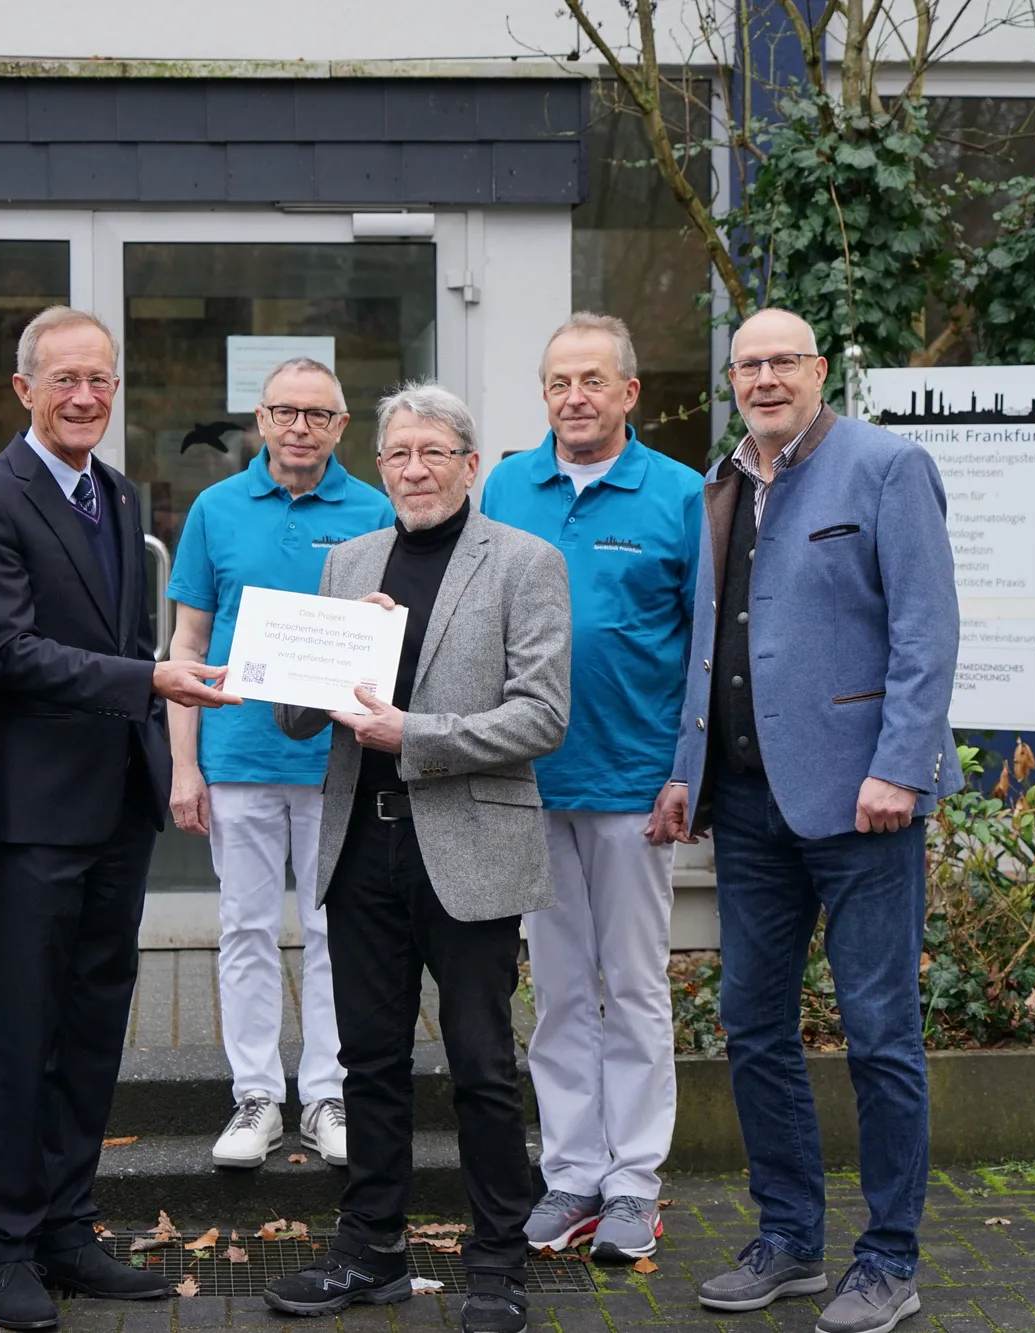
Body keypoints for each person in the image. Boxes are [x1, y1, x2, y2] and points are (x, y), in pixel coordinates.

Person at [651, 309, 961, 1333]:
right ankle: (787, 1238)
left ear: (818, 370)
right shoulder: (721, 481)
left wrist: (899, 766)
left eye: (785, 360)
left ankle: (887, 1257)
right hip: (745, 806)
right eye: (749, 364)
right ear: (730, 378)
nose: (766, 377)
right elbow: (711, 639)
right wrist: (686, 770)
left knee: (878, 1035)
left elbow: (926, 628)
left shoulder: (884, 465)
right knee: (751, 1026)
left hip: (860, 805)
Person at [0, 306, 239, 1329]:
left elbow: (116, 634)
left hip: (112, 808)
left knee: (92, 1033)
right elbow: (11, 654)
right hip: (31, 818)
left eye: (100, 381)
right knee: (20, 1037)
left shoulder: (116, 494)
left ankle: (69, 1227)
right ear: (22, 388)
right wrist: (148, 678)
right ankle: (7, 1245)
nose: (85, 396)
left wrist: (153, 747)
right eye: (65, 378)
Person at [261, 384, 572, 1333]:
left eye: (436, 451)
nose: (415, 469)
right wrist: (321, 656)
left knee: (481, 1061)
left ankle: (496, 1259)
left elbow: (543, 713)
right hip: (362, 842)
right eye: (399, 453)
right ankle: (372, 1251)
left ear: (471, 465)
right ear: (381, 464)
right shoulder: (350, 559)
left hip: (469, 841)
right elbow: (294, 715)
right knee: (369, 1062)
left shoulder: (526, 561)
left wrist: (415, 730)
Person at [478, 313, 702, 1262]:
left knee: (636, 987)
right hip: (528, 783)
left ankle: (634, 1184)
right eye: (560, 381)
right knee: (564, 988)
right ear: (545, 394)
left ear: (629, 393)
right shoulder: (503, 487)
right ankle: (571, 1171)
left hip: (633, 784)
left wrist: (686, 769)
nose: (576, 397)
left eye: (593, 381)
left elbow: (705, 653)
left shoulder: (681, 495)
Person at [165, 358, 394, 1170]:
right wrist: (184, 767)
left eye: (318, 414)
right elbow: (188, 644)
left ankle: (329, 1093)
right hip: (240, 756)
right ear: (260, 420)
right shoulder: (215, 508)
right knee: (246, 928)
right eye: (284, 412)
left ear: (341, 427)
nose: (300, 426)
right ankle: (256, 1095)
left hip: (341, 762)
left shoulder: (375, 509)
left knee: (339, 931)